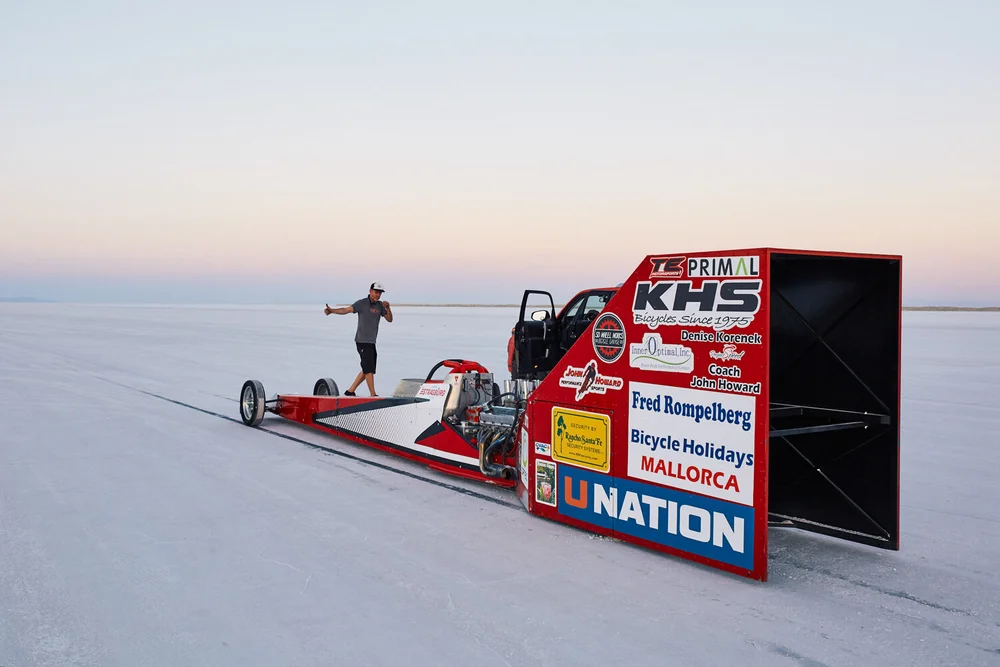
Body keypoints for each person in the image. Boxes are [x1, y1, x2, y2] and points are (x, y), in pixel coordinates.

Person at [324, 282, 393, 396]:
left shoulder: (381, 306)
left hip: (372, 342)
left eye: (380, 293)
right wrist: (332, 311)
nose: (378, 295)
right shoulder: (362, 303)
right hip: (362, 341)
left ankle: (350, 391)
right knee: (369, 369)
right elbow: (346, 310)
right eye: (376, 292)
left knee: (368, 369)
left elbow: (389, 319)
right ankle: (373, 394)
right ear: (370, 291)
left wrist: (388, 308)